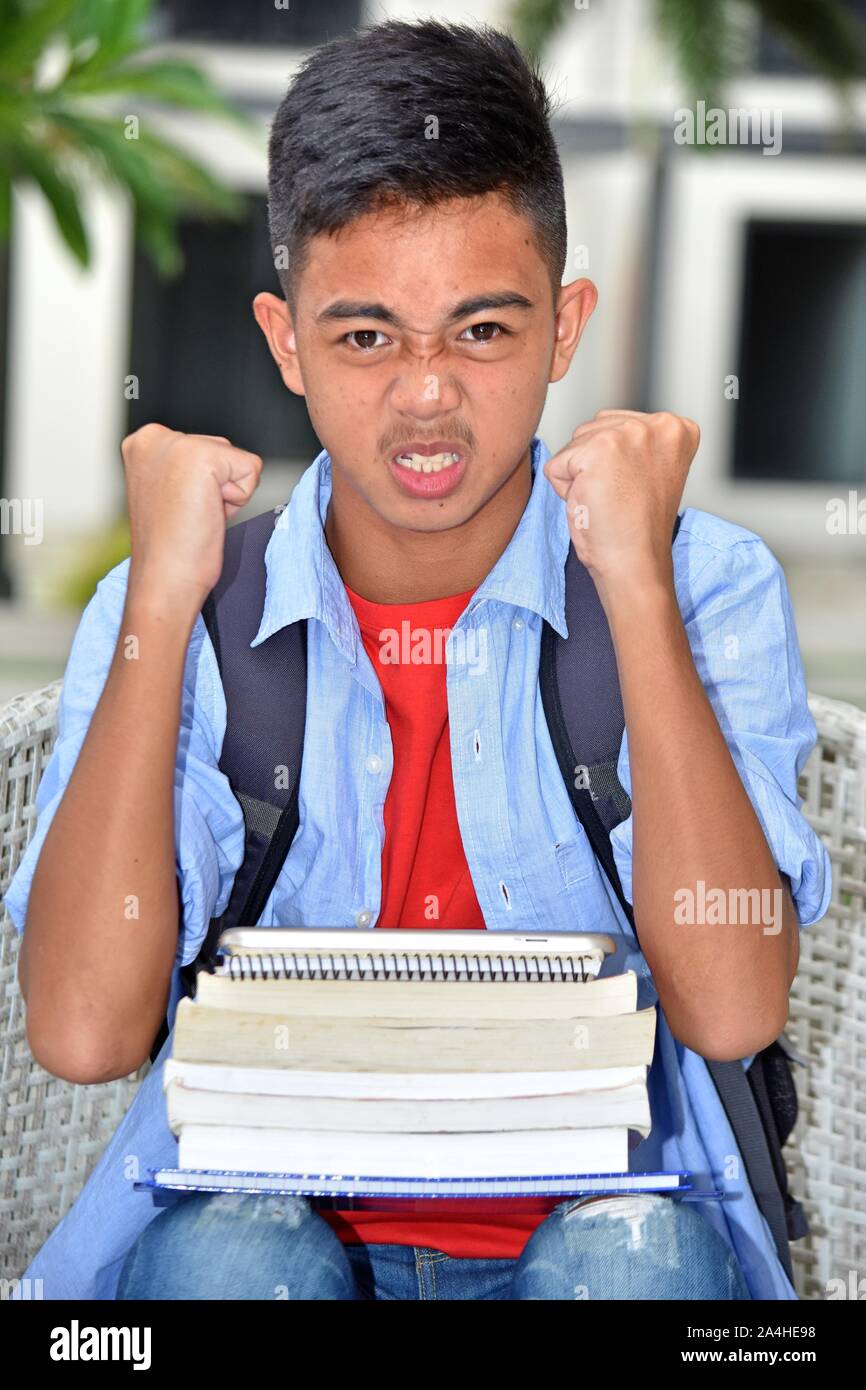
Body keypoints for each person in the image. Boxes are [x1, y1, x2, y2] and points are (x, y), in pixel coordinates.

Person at [7, 18, 830, 1302]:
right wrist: (161, 603)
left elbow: (729, 1008)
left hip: (611, 1230)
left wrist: (630, 584)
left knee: (634, 1269)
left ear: (564, 329)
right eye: (366, 336)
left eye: (481, 333)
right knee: (229, 1263)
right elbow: (80, 1029)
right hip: (262, 1220)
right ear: (285, 341)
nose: (426, 397)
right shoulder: (189, 602)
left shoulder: (698, 582)